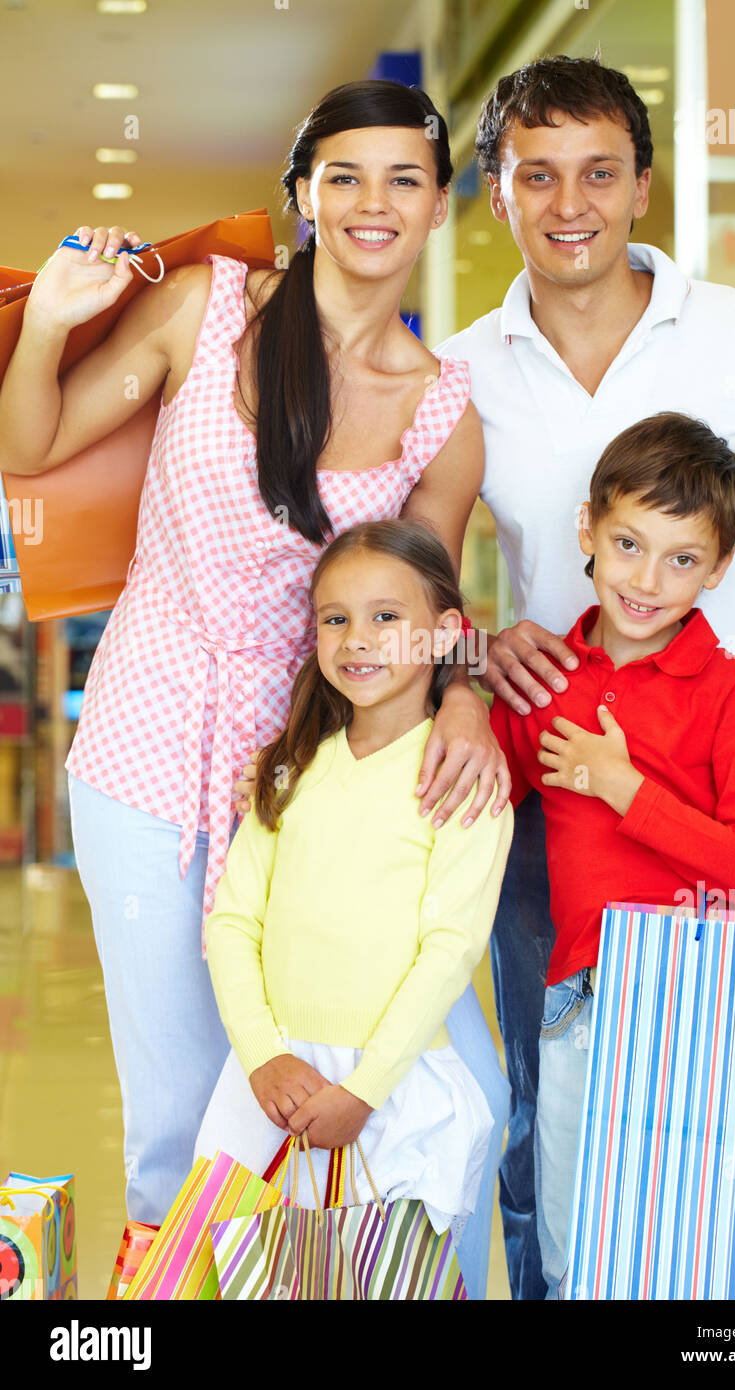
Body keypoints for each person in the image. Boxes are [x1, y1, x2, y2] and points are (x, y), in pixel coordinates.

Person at [0, 80, 511, 1273]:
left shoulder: (441, 411)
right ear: (302, 197)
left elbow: (432, 607)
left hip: (318, 777)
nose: (373, 202)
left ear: (440, 204)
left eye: (403, 178)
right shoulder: (206, 310)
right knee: (182, 1113)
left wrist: (471, 693)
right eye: (344, 176)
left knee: (453, 1087)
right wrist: (47, 325)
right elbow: (28, 442)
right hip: (144, 755)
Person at [436, 54, 735, 1299]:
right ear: (498, 192)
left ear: (641, 187)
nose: (568, 203)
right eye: (536, 175)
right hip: (559, 807)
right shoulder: (459, 371)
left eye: (598, 172)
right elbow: (414, 576)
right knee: (548, 1122)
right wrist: (473, 648)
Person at [490, 412, 735, 1296]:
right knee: (576, 1256)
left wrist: (623, 787)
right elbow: (466, 813)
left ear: (720, 567)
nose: (648, 581)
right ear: (587, 529)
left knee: (696, 1258)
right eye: (628, 544)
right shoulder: (543, 684)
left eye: (682, 559)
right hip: (579, 1006)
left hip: (709, 1005)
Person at [195, 519, 513, 1297]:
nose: (357, 639)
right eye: (335, 618)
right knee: (256, 1280)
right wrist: (262, 1056)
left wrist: (364, 1093)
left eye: (385, 616)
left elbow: (449, 951)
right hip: (271, 1086)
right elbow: (232, 923)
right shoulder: (286, 772)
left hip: (394, 1089)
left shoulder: (463, 782)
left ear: (445, 632)